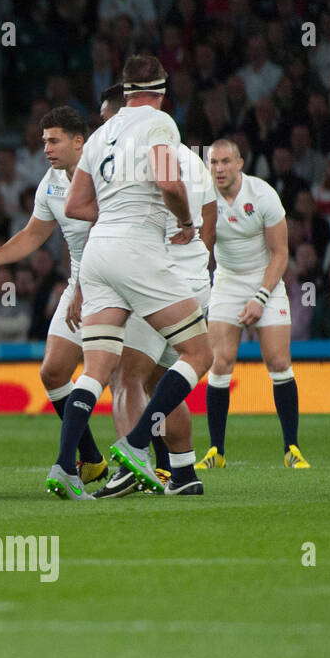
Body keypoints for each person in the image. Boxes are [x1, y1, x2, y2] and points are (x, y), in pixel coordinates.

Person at [52, 55, 215, 499]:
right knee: (198, 352)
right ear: (161, 93)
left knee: (101, 368)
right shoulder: (160, 125)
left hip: (98, 253)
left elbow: (73, 206)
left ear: (123, 91)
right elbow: (168, 181)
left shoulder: (101, 133)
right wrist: (185, 221)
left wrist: (115, 214)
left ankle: (66, 464)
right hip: (137, 251)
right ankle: (138, 443)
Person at [0, 105, 108, 486]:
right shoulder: (52, 180)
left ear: (80, 142)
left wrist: (80, 288)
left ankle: (164, 463)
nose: (46, 148)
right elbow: (33, 233)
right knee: (54, 371)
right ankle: (91, 459)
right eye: (44, 141)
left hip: (114, 281)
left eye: (54, 140)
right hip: (81, 281)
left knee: (129, 379)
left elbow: (109, 235)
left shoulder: (105, 175)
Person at [101, 85, 218, 497]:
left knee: (126, 378)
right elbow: (210, 224)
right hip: (195, 283)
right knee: (160, 382)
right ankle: (185, 474)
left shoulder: (130, 163)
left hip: (158, 285)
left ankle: (132, 465)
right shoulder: (196, 161)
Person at [198, 138, 310, 470]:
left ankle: (292, 448)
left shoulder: (263, 196)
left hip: (267, 281)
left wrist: (260, 297)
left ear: (240, 163)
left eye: (225, 162)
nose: (218, 169)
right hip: (227, 281)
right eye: (213, 163)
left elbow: (281, 253)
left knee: (278, 361)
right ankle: (216, 451)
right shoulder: (204, 198)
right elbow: (202, 245)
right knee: (221, 362)